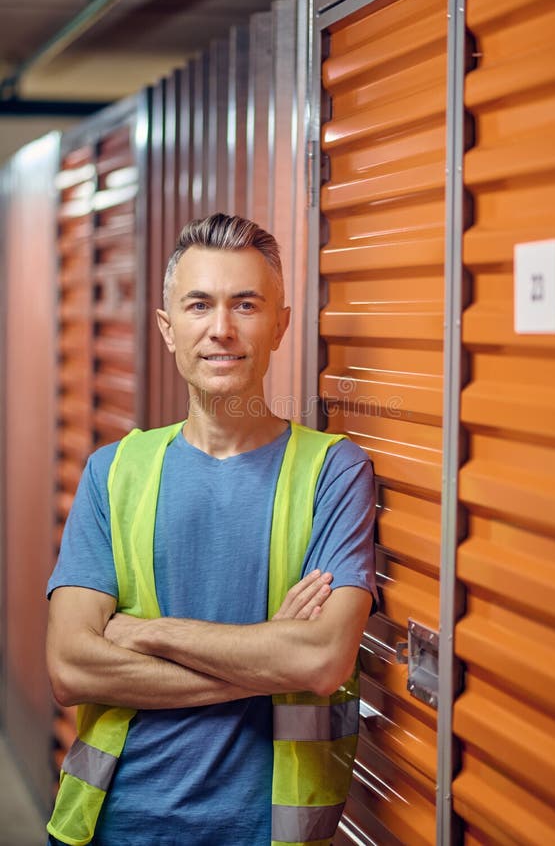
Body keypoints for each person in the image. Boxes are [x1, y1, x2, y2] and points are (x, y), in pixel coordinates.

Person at [46, 213, 376, 846]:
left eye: (245, 305)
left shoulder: (333, 472)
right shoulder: (115, 472)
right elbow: (70, 667)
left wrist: (148, 633)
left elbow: (322, 659)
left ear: (280, 324)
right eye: (199, 305)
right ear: (169, 330)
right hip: (112, 827)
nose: (221, 329)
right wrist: (268, 655)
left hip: (265, 831)